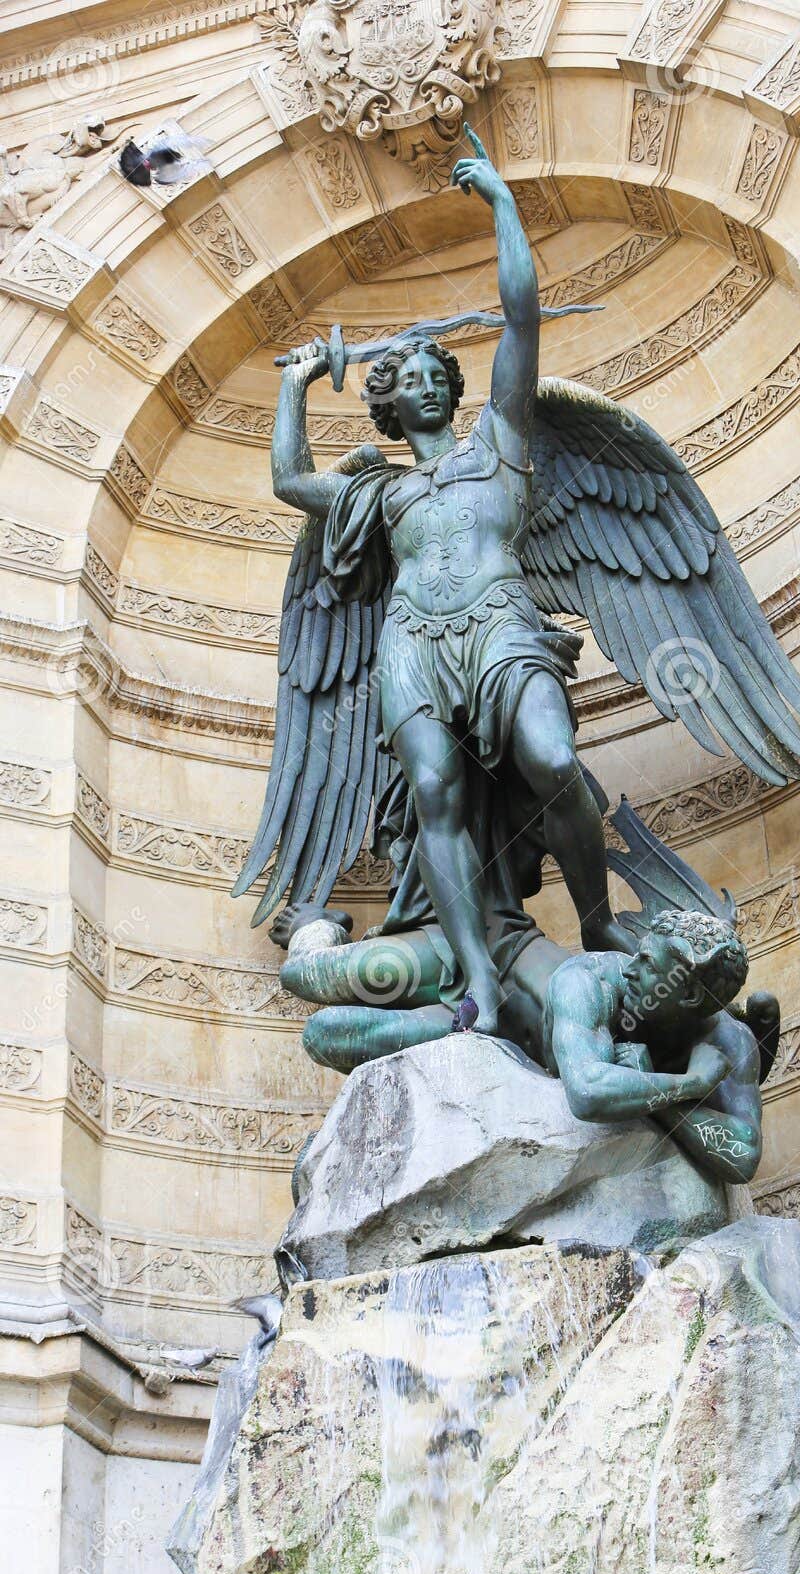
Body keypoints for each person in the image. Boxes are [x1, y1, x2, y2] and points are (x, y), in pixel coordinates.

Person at [268, 127, 628, 1035]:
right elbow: (286, 481)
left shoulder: (499, 447)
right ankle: (474, 976)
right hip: (414, 640)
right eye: (410, 379)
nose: (427, 386)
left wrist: (504, 206)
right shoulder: (377, 492)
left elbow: (519, 316)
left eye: (438, 374)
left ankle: (596, 925)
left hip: (500, 622)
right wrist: (296, 386)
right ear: (388, 402)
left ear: (456, 388)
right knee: (433, 795)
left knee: (551, 761)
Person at [276, 904, 774, 1189]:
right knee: (309, 991)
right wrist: (688, 1084)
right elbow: (589, 1092)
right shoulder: (594, 978)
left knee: (330, 1034)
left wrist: (654, 1095)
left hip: (486, 1042)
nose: (634, 964)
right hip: (482, 965)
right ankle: (313, 930)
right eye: (639, 952)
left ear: (688, 995)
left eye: (649, 963)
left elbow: (743, 1157)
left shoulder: (729, 1040)